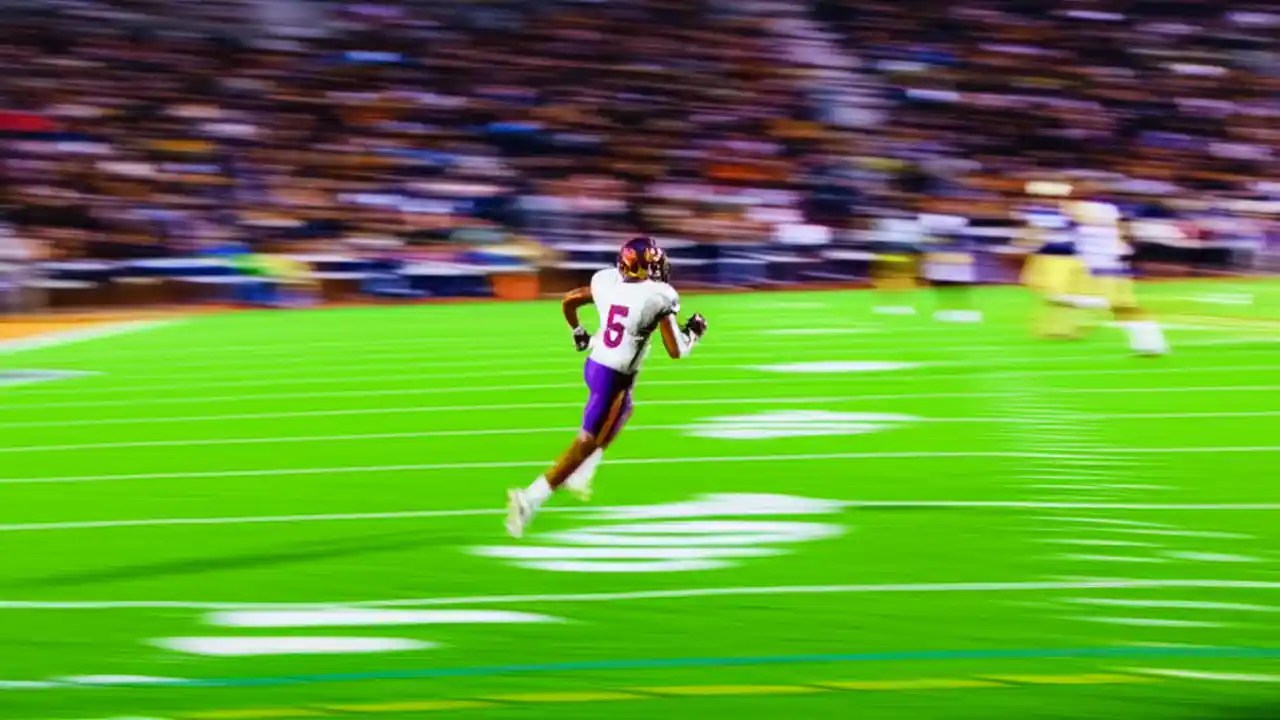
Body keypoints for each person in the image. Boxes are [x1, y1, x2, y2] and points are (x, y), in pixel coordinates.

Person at [505, 237, 707, 538]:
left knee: (624, 410)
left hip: (595, 364)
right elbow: (676, 350)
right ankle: (530, 498)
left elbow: (570, 299)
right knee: (584, 444)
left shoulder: (606, 280)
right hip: (615, 376)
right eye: (652, 265)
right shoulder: (659, 296)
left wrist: (577, 331)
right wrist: (694, 334)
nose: (657, 269)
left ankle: (582, 470)